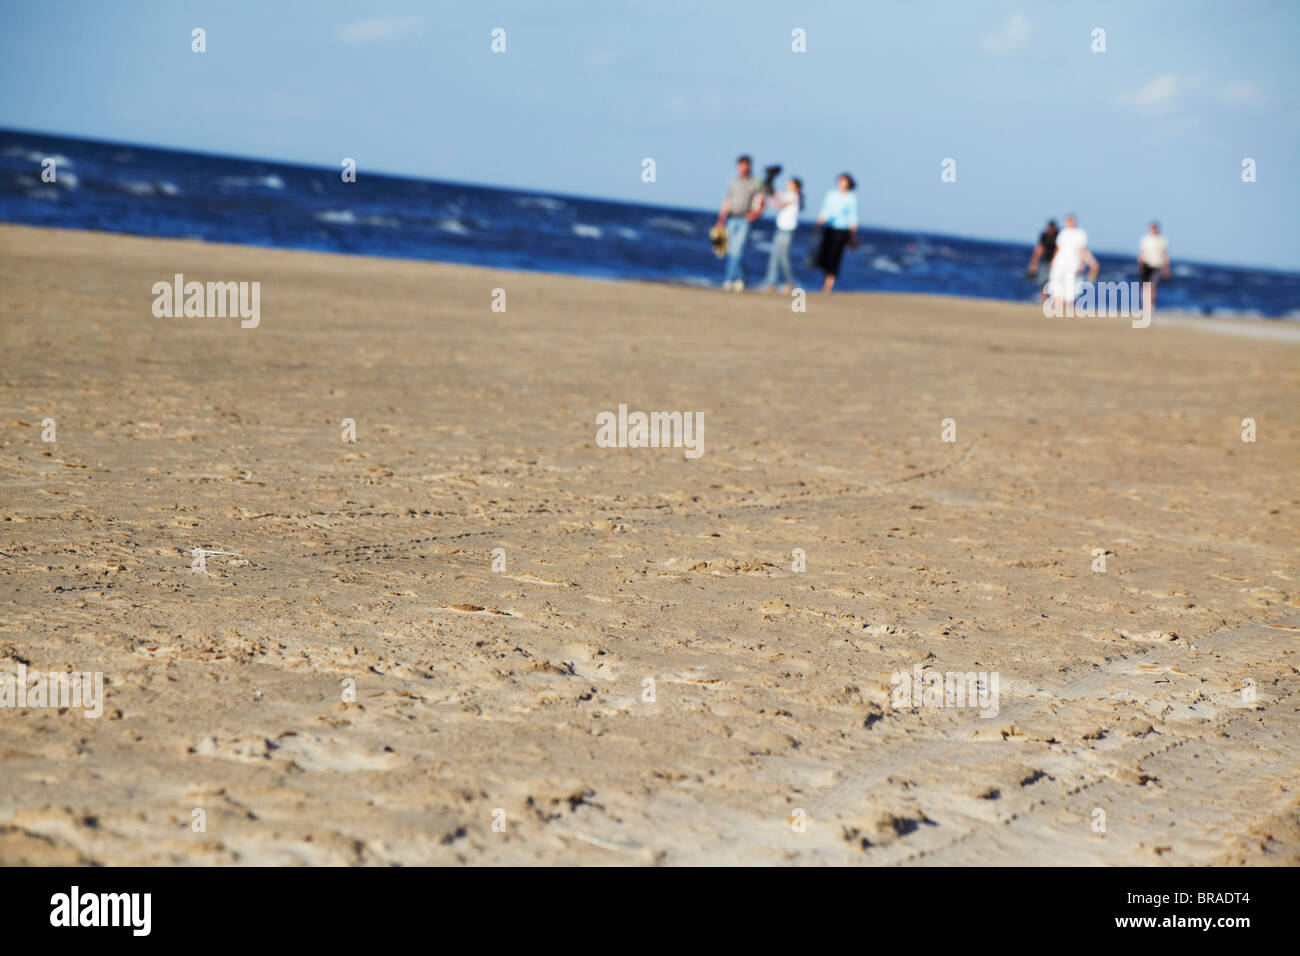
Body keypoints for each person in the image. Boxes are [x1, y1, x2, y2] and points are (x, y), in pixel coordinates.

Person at [714, 155, 766, 291]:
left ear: (749, 166)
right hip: (731, 218)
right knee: (731, 250)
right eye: (740, 165)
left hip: (745, 219)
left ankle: (729, 279)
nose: (742, 168)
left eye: (745, 165)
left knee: (738, 250)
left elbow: (761, 200)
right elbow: (727, 201)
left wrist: (755, 214)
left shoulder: (756, 182)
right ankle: (740, 279)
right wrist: (721, 219)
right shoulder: (733, 182)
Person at [814, 173, 858, 293]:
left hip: (842, 230)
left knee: (835, 256)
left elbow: (853, 217)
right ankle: (826, 278)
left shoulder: (851, 197)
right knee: (824, 256)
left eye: (844, 181)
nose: (841, 184)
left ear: (849, 184)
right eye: (840, 181)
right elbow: (825, 210)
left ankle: (828, 285)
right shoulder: (831, 195)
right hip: (829, 228)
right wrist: (818, 226)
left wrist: (854, 235)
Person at [1046, 214, 1098, 309]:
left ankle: (1069, 305)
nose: (1069, 222)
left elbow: (1082, 249)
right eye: (1068, 220)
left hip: (1073, 263)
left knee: (1071, 285)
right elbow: (1058, 248)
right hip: (1060, 262)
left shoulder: (1080, 233)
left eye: (1071, 220)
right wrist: (1053, 260)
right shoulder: (1063, 232)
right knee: (1056, 282)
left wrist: (1083, 263)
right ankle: (1057, 304)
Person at [761, 177, 803, 293]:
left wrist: (769, 198)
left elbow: (777, 204)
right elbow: (776, 194)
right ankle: (771, 283)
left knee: (783, 258)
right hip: (780, 230)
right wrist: (769, 185)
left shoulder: (794, 196)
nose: (787, 184)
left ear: (796, 186)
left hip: (787, 231)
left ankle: (790, 283)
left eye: (790, 183)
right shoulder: (788, 195)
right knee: (774, 256)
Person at [1137, 221, 1171, 313]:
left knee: (1152, 285)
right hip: (1146, 265)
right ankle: (1145, 306)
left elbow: (1165, 255)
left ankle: (1151, 306)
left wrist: (1166, 269)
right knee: (1145, 286)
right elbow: (1141, 253)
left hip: (1156, 265)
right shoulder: (1145, 239)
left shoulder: (1162, 241)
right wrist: (1140, 265)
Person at [1026, 219, 1059, 290]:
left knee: (1054, 283)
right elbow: (1039, 249)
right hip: (1045, 261)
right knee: (1043, 283)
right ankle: (1044, 299)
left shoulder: (1058, 236)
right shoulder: (1044, 236)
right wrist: (1034, 263)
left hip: (1056, 263)